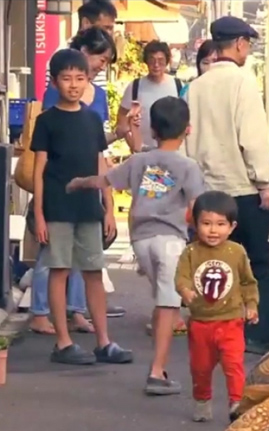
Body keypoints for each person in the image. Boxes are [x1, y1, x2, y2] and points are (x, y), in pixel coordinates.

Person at [66, 96, 205, 395]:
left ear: (153, 129)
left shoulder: (140, 160)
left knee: (161, 300)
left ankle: (160, 367)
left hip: (141, 240)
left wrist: (77, 182)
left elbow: (104, 180)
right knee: (169, 305)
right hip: (170, 240)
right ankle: (157, 372)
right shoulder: (189, 166)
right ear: (188, 130)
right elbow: (195, 210)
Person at [30, 49, 132, 366]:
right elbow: (39, 170)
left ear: (88, 81)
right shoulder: (46, 121)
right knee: (59, 271)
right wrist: (39, 214)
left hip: (89, 207)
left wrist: (109, 206)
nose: (73, 85)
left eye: (79, 78)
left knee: (93, 272)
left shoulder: (91, 119)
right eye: (66, 78)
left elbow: (101, 165)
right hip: (58, 207)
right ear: (55, 81)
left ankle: (104, 341)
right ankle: (63, 342)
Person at [184, 16, 269, 355]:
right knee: (259, 266)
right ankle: (257, 334)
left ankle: (215, 333)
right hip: (243, 190)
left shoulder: (196, 86)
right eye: (247, 44)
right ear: (239, 44)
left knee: (215, 265)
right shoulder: (242, 82)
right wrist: (265, 182)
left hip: (208, 193)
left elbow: (187, 141)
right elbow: (252, 138)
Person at [175, 191, 259, 423]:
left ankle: (237, 403)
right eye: (206, 223)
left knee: (234, 364)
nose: (213, 230)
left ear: (231, 227)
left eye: (220, 224)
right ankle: (202, 399)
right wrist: (185, 290)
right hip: (201, 323)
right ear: (195, 223)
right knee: (200, 368)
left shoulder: (236, 252)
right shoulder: (191, 252)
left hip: (231, 320)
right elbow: (181, 277)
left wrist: (251, 305)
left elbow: (247, 282)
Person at [117, 40, 183, 152]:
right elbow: (121, 118)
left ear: (167, 61)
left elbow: (185, 119)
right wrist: (133, 143)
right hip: (143, 151)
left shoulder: (178, 85)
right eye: (152, 60)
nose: (156, 65)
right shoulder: (135, 86)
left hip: (171, 151)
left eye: (161, 61)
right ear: (146, 61)